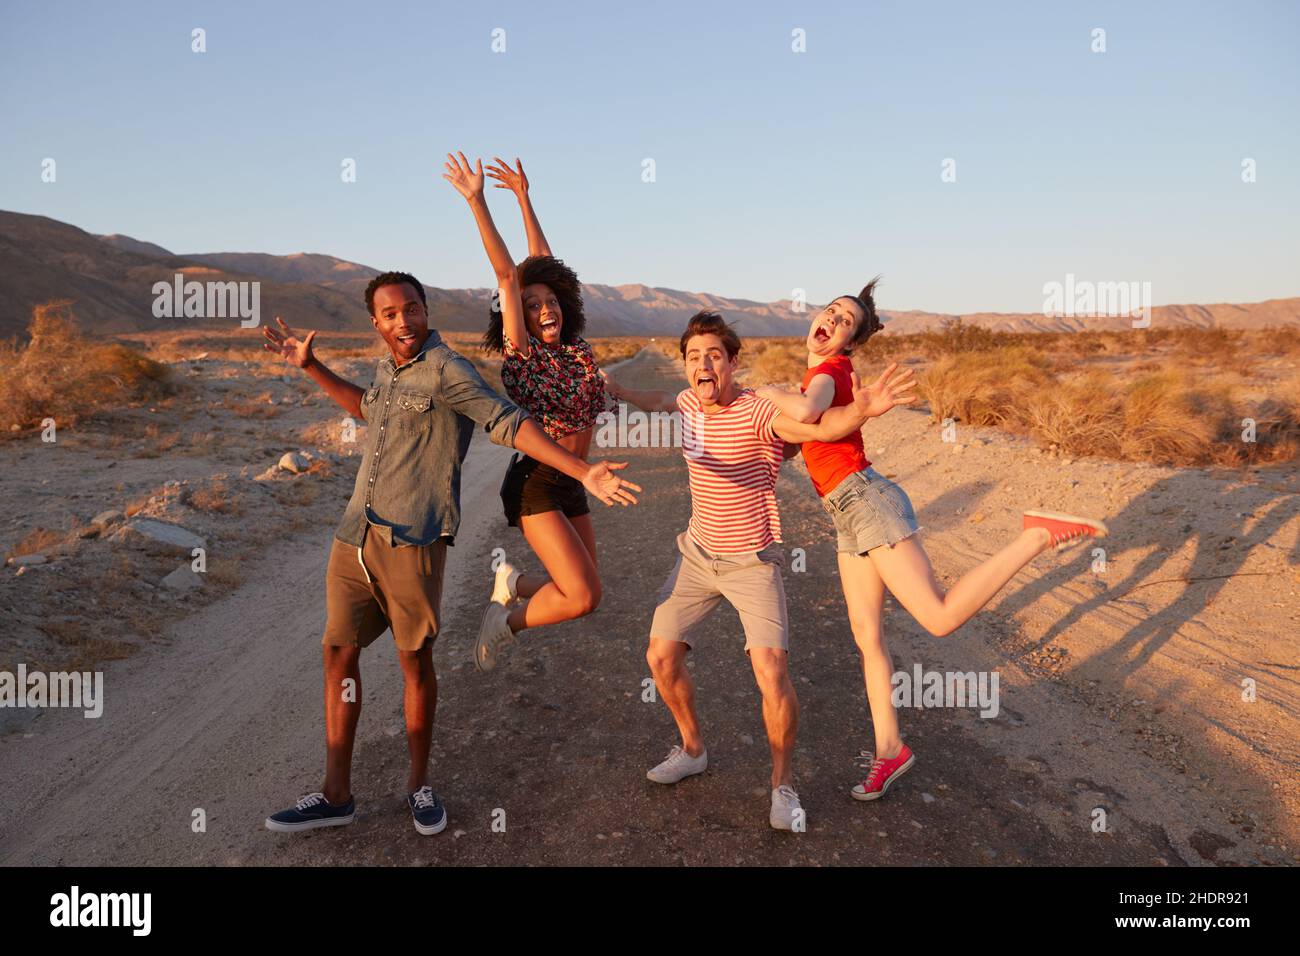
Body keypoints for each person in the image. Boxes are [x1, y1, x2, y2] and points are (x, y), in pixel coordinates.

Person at [260, 269, 638, 836]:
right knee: (338, 655)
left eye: (411, 308)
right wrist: (311, 366)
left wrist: (582, 469)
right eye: (390, 314)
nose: (403, 320)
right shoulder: (388, 368)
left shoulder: (448, 370)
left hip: (413, 541)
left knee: (414, 663)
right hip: (354, 535)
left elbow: (506, 421)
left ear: (425, 309)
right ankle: (336, 795)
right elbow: (367, 408)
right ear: (376, 323)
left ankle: (419, 786)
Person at [754, 279, 1108, 802]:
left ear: (850, 341)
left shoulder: (827, 372)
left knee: (939, 618)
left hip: (866, 502)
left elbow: (808, 413)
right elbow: (809, 430)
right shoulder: (824, 373)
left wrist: (757, 392)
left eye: (846, 320)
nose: (832, 319)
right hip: (846, 512)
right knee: (867, 637)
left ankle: (1034, 536)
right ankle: (890, 749)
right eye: (831, 310)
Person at [605, 310, 917, 830]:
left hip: (753, 561)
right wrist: (619, 389)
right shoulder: (685, 401)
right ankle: (692, 749)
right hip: (698, 555)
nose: (703, 365)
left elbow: (816, 425)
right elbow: (658, 401)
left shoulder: (758, 411)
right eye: (693, 357)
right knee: (660, 658)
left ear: (732, 364)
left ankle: (782, 786)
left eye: (713, 356)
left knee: (771, 674)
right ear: (685, 367)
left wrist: (862, 411)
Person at [443, 154, 617, 672]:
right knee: (580, 596)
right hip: (538, 481)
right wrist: (478, 201)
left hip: (573, 482)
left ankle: (513, 584)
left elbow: (545, 266)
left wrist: (524, 197)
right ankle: (506, 621)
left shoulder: (573, 346)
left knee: (590, 591)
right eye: (533, 303)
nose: (546, 308)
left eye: (552, 301)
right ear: (518, 312)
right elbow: (508, 273)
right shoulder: (523, 353)